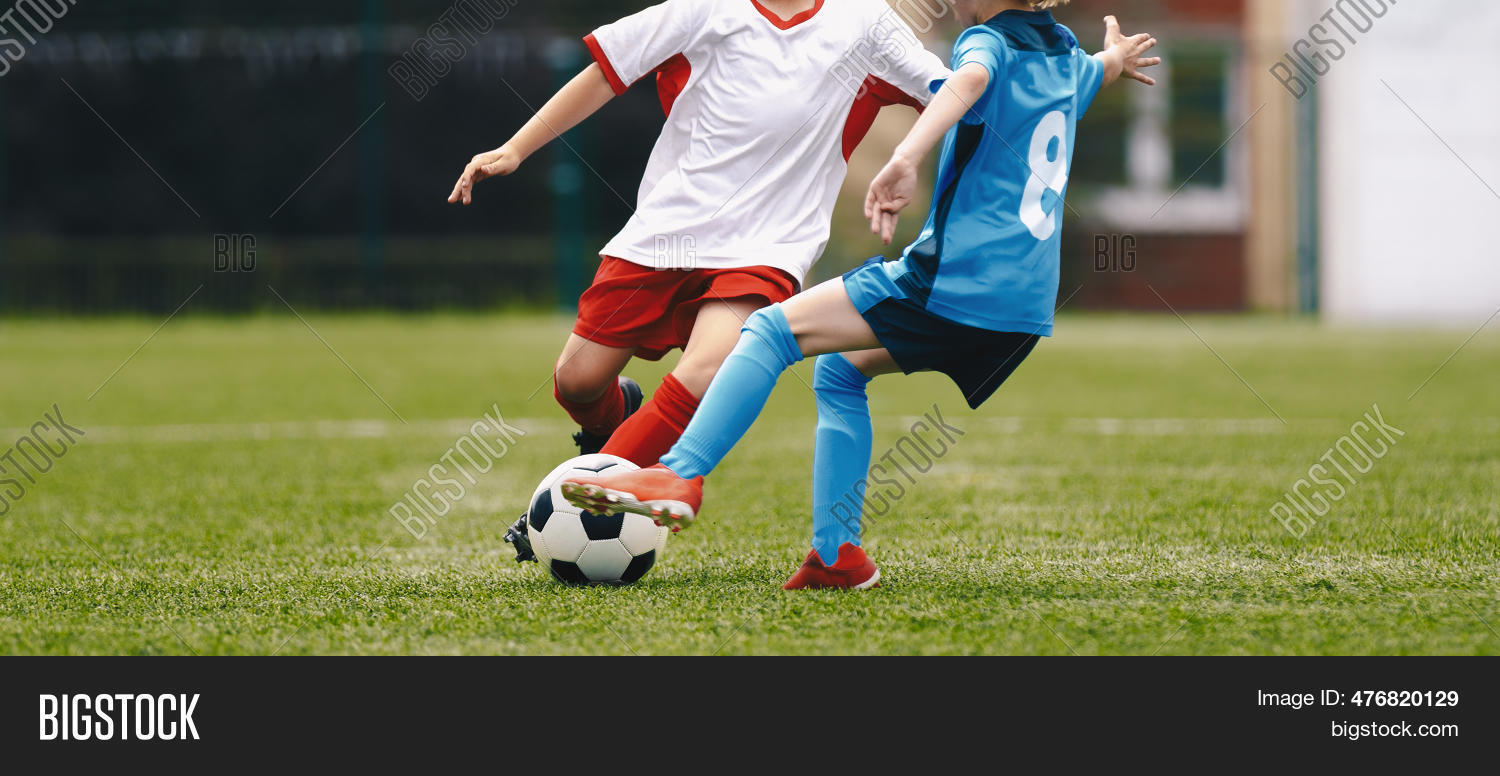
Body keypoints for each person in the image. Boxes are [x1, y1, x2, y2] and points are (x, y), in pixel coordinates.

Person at [559, 1, 1160, 589]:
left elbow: (968, 82)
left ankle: (679, 475)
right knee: (841, 374)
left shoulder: (988, 44)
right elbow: (1092, 73)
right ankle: (837, 555)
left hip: (952, 283)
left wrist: (905, 155)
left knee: (768, 332)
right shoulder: (1064, 58)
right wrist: (1113, 58)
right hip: (1024, 311)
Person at [449, 0, 948, 475]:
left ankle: (583, 496)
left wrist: (907, 160)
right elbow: (609, 71)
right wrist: (516, 148)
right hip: (667, 233)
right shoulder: (704, 8)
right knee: (576, 382)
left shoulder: (865, 22)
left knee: (702, 373)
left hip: (767, 247)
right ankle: (617, 417)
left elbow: (955, 94)